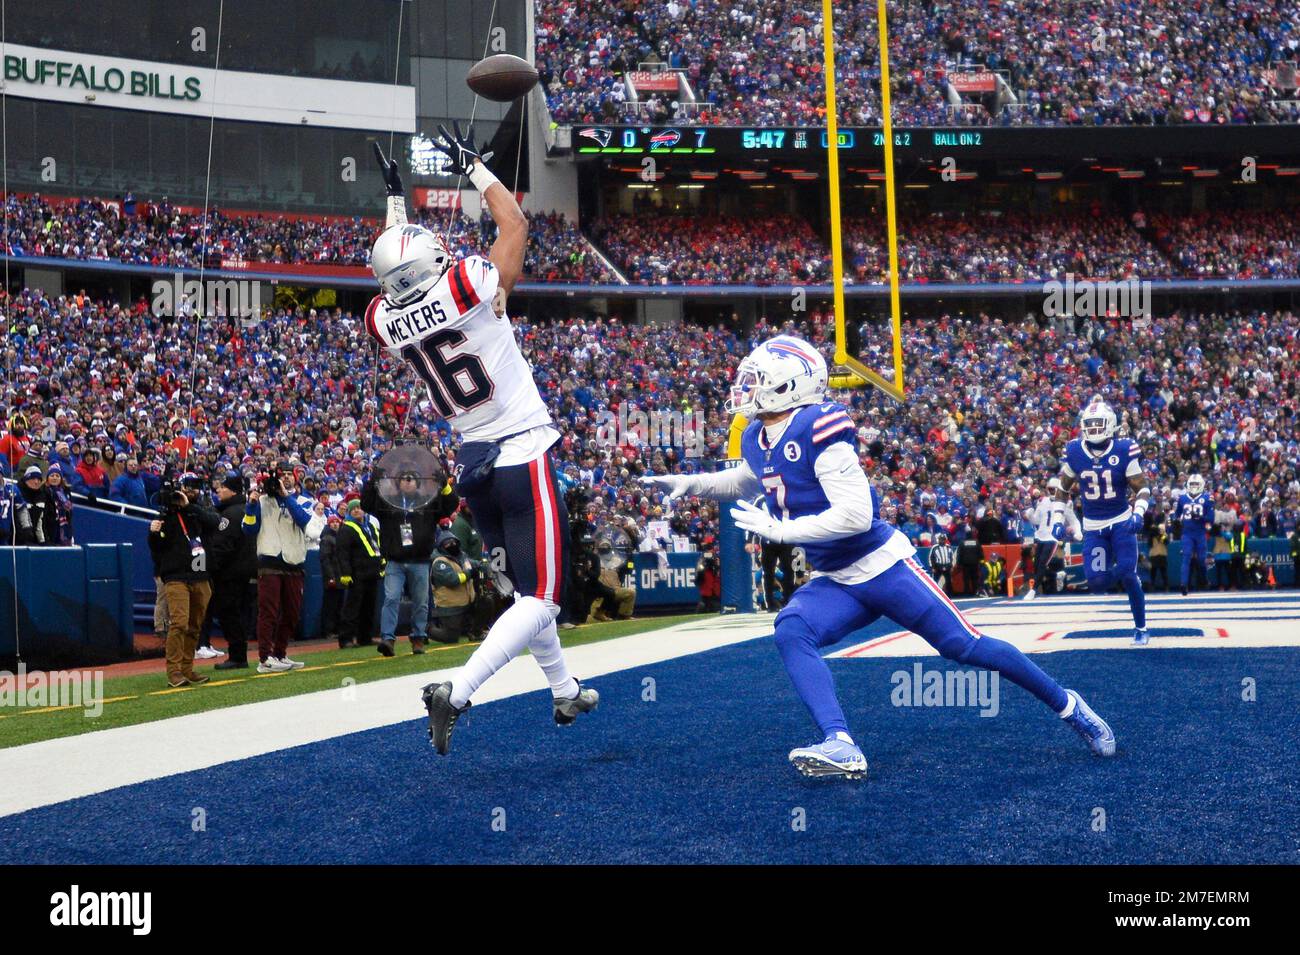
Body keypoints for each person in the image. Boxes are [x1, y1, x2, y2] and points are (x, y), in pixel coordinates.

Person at [644, 335, 1115, 779]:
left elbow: (854, 516)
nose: (746, 387)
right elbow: (752, 477)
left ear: (789, 386)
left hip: (882, 565)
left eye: (757, 379)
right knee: (791, 630)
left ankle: (1069, 705)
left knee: (964, 647)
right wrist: (696, 485)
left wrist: (782, 530)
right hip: (836, 577)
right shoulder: (757, 434)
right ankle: (840, 742)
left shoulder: (818, 427)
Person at [368, 131, 598, 755]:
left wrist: (395, 201)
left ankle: (564, 687)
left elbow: (401, 266)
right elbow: (515, 224)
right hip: (521, 450)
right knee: (545, 596)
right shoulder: (466, 282)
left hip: (472, 464)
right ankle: (459, 691)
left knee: (526, 594)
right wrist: (472, 168)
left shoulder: (384, 322)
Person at [1057, 397, 1151, 645]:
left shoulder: (1123, 449)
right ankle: (1126, 576)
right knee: (1097, 583)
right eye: (1090, 424)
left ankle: (1141, 628)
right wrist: (1058, 517)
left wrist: (1138, 512)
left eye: (1099, 424)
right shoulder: (1075, 451)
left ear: (1110, 425)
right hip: (1094, 527)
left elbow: (1141, 488)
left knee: (1128, 574)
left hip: (1121, 521)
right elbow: (1063, 488)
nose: (1094, 429)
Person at [360, 468, 459, 656]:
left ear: (417, 483)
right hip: (395, 560)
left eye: (411, 479)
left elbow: (450, 505)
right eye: (404, 479)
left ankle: (418, 638)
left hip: (420, 560)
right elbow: (366, 504)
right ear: (398, 483)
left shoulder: (428, 502)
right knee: (391, 598)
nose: (407, 481)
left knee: (421, 602)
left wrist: (445, 486)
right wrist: (371, 483)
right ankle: (388, 639)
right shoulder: (388, 501)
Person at [242, 461, 324, 673]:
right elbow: (248, 529)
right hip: (269, 561)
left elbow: (311, 528)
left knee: (292, 612)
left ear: (296, 478)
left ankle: (280, 652)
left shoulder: (304, 501)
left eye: (289, 474)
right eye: (282, 474)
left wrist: (287, 497)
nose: (286, 477)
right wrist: (251, 505)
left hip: (295, 561)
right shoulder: (262, 500)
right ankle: (264, 658)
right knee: (268, 611)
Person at [148, 474, 220, 687]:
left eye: (196, 487)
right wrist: (153, 534)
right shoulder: (166, 515)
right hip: (176, 576)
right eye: (187, 487)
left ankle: (187, 669)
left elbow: (215, 523)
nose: (191, 491)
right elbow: (156, 548)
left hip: (201, 574)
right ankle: (174, 671)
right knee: (179, 623)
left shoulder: (201, 511)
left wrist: (189, 507)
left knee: (195, 624)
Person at [208, 471, 258, 670]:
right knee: (240, 614)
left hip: (229, 573)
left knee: (229, 614)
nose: (219, 490)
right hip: (246, 571)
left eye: (224, 488)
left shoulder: (230, 513)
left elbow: (222, 546)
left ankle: (237, 656)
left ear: (234, 491)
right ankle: (239, 654)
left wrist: (210, 566)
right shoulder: (246, 510)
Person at [335, 498, 385, 648]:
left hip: (372, 572)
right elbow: (342, 553)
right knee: (352, 607)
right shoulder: (346, 529)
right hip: (357, 573)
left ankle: (365, 637)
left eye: (359, 507)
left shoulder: (370, 526)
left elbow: (377, 546)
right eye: (353, 508)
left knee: (369, 607)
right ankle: (346, 639)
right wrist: (345, 573)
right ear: (349, 512)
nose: (356, 510)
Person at [1022, 477, 1081, 600]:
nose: (1052, 492)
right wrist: (1030, 515)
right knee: (1037, 564)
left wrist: (1077, 531)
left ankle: (1033, 591)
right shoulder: (1042, 501)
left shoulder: (1065, 503)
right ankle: (1057, 574)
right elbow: (1037, 520)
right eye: (1050, 489)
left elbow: (1073, 520)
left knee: (1043, 562)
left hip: (1053, 537)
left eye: (1054, 489)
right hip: (1041, 536)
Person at [429, 531, 482, 643]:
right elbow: (453, 580)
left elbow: (474, 564)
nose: (452, 545)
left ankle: (475, 632)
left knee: (487, 602)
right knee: (451, 638)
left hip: (467, 603)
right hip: (450, 607)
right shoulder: (439, 562)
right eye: (448, 543)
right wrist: (469, 573)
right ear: (441, 546)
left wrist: (484, 566)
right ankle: (426, 630)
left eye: (454, 542)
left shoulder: (461, 556)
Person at [1176, 474, 1212, 595]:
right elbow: (1177, 515)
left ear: (1201, 485)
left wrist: (1200, 517)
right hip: (1187, 533)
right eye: (1192, 484)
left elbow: (1211, 519)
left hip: (1200, 533)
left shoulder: (1207, 498)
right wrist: (1177, 521)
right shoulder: (1182, 498)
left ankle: (1204, 580)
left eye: (1196, 484)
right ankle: (1183, 584)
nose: (1194, 486)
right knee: (1186, 558)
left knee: (1202, 560)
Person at [318, 512, 345, 646]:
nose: (335, 524)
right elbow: (325, 560)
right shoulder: (327, 539)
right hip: (333, 577)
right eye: (332, 522)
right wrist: (331, 577)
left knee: (338, 604)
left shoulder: (338, 538)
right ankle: (328, 630)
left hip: (340, 577)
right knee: (331, 605)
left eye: (337, 522)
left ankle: (335, 629)